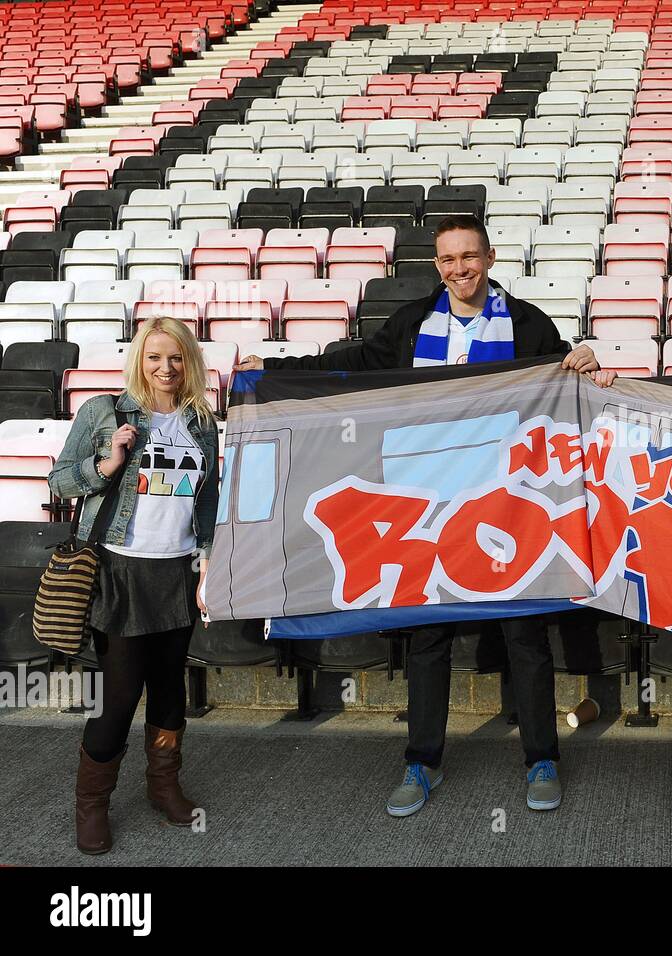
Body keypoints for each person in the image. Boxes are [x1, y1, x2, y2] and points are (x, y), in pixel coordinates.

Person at [236, 214, 613, 817]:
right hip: (424, 502)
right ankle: (422, 760)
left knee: (525, 633)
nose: (459, 268)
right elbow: (355, 363)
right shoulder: (413, 321)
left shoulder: (526, 322)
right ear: (437, 266)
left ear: (488, 259)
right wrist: (274, 373)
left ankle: (542, 757)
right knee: (428, 637)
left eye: (469, 257)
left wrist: (587, 363)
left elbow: (565, 376)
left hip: (506, 503)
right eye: (447, 260)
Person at [49, 317, 219, 855]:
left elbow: (208, 501)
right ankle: (91, 804)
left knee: (170, 692)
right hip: (120, 571)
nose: (165, 368)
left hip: (177, 570)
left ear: (188, 361)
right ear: (139, 360)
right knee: (120, 697)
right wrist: (108, 462)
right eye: (154, 357)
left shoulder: (200, 421)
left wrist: (208, 563)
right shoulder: (105, 411)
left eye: (175, 358)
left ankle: (164, 787)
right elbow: (59, 478)